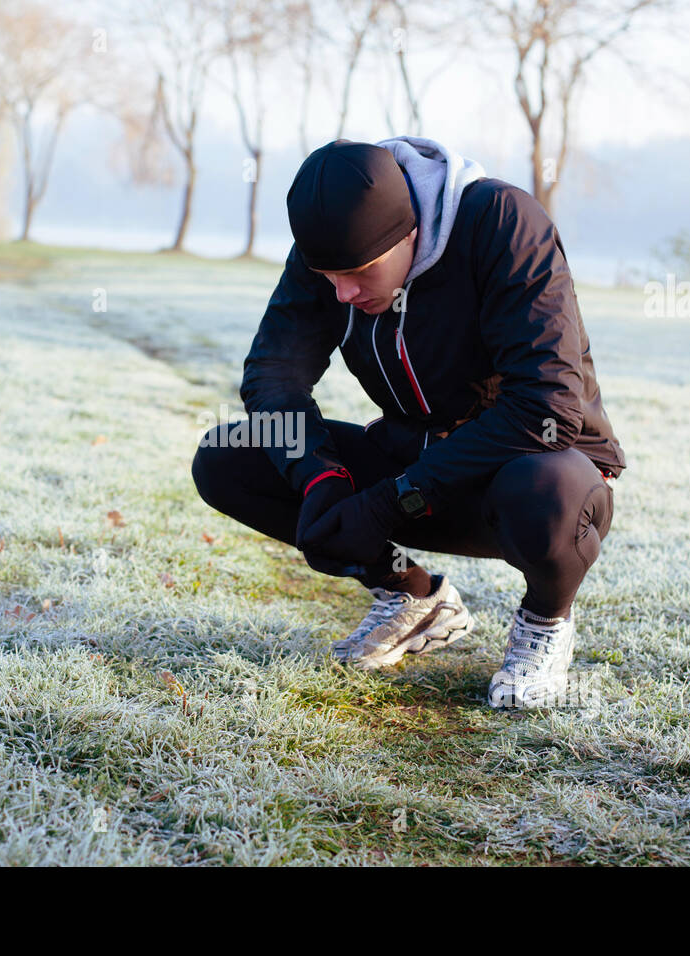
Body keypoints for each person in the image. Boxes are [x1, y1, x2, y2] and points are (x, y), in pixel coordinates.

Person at [191, 136, 627, 709]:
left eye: (358, 273)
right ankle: (414, 597)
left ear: (411, 234)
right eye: (328, 276)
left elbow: (547, 406)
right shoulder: (328, 253)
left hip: (534, 475)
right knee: (231, 454)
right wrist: (320, 482)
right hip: (414, 467)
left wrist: (387, 504)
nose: (342, 293)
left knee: (545, 488)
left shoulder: (502, 221)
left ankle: (545, 623)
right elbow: (272, 376)